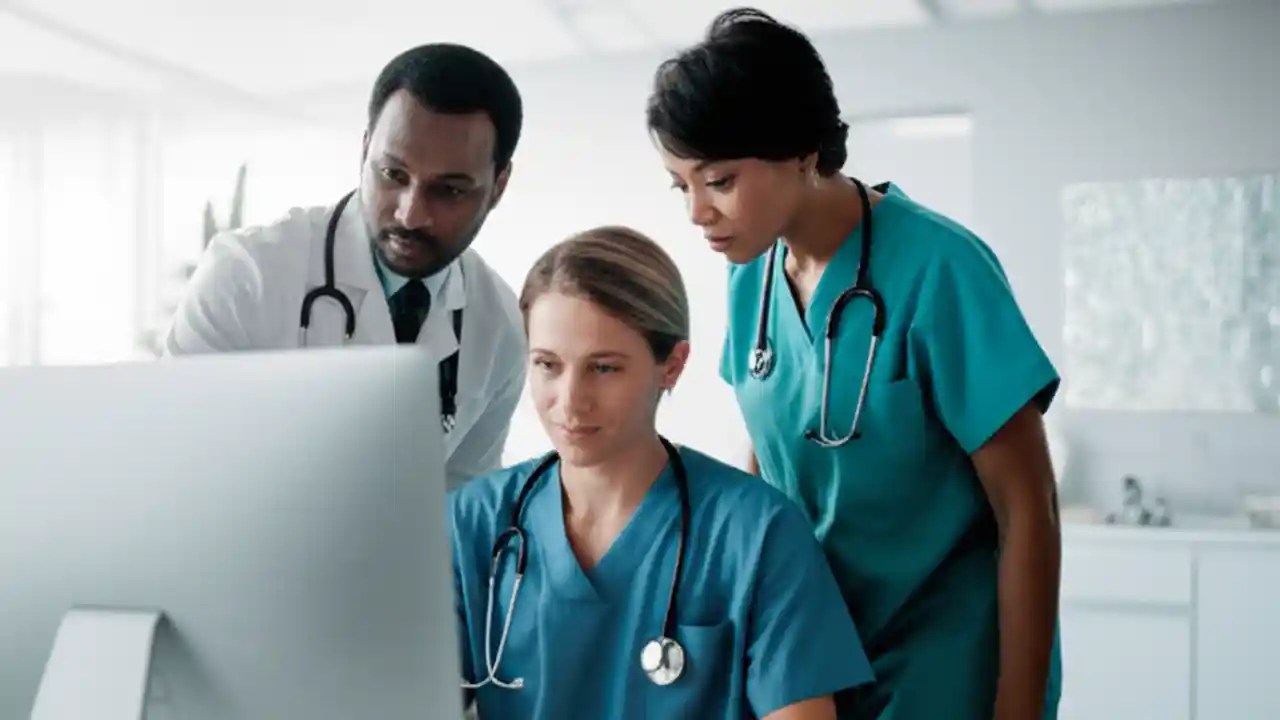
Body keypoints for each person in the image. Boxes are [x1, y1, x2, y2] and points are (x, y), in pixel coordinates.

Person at [646, 8, 1062, 720]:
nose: (696, 212)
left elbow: (1028, 508)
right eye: (679, 184)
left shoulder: (940, 268)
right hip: (814, 651)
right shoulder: (752, 270)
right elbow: (771, 454)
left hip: (946, 660)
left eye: (718, 181)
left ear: (803, 153)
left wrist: (1017, 704)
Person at [448, 226, 874, 719]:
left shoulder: (756, 534)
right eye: (548, 365)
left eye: (604, 368)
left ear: (671, 365)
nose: (570, 401)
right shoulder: (473, 524)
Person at [164, 43, 527, 489]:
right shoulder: (247, 276)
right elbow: (176, 463)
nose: (410, 214)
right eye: (393, 175)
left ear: (498, 186)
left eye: (449, 190)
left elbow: (458, 512)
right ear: (364, 152)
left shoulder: (500, 326)